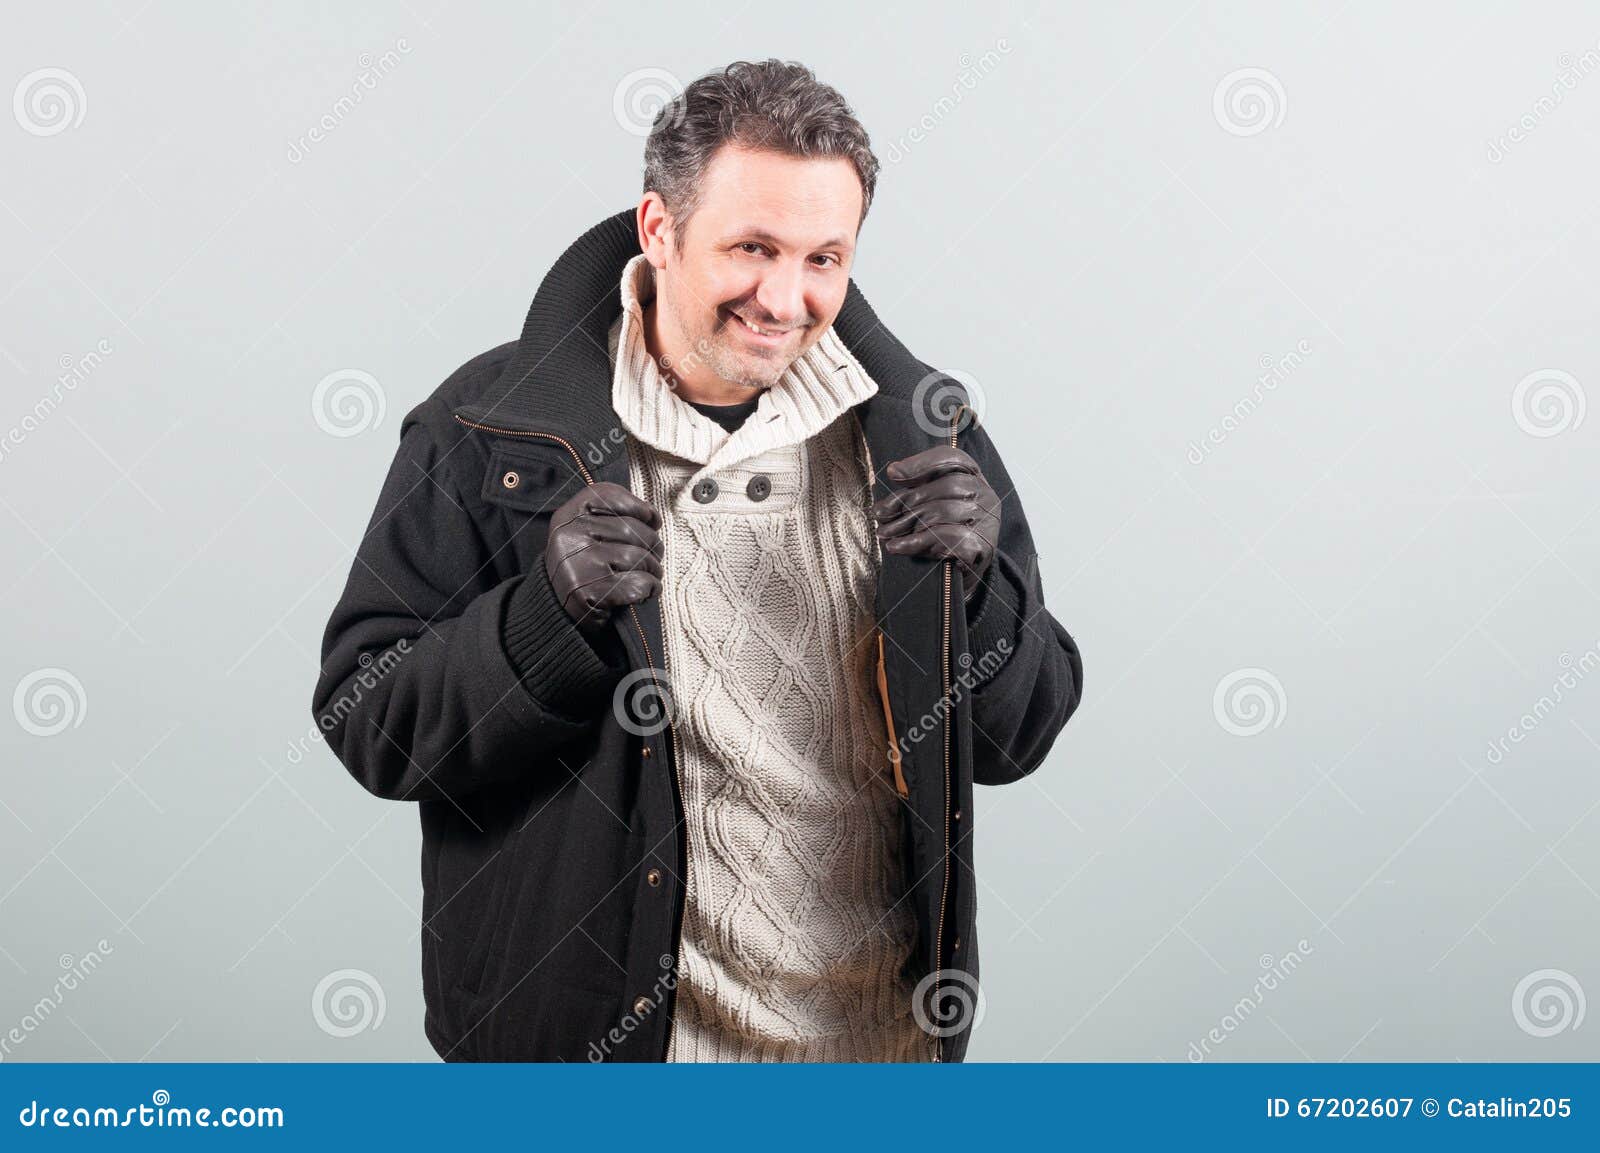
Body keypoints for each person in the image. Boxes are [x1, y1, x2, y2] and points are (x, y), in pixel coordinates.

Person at [311, 58, 1083, 1062]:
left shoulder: (921, 431)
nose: (784, 297)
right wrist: (543, 620)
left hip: (876, 1052)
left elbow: (1017, 740)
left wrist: (981, 595)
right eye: (752, 247)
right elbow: (370, 722)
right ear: (659, 229)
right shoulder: (492, 427)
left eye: (823, 258)